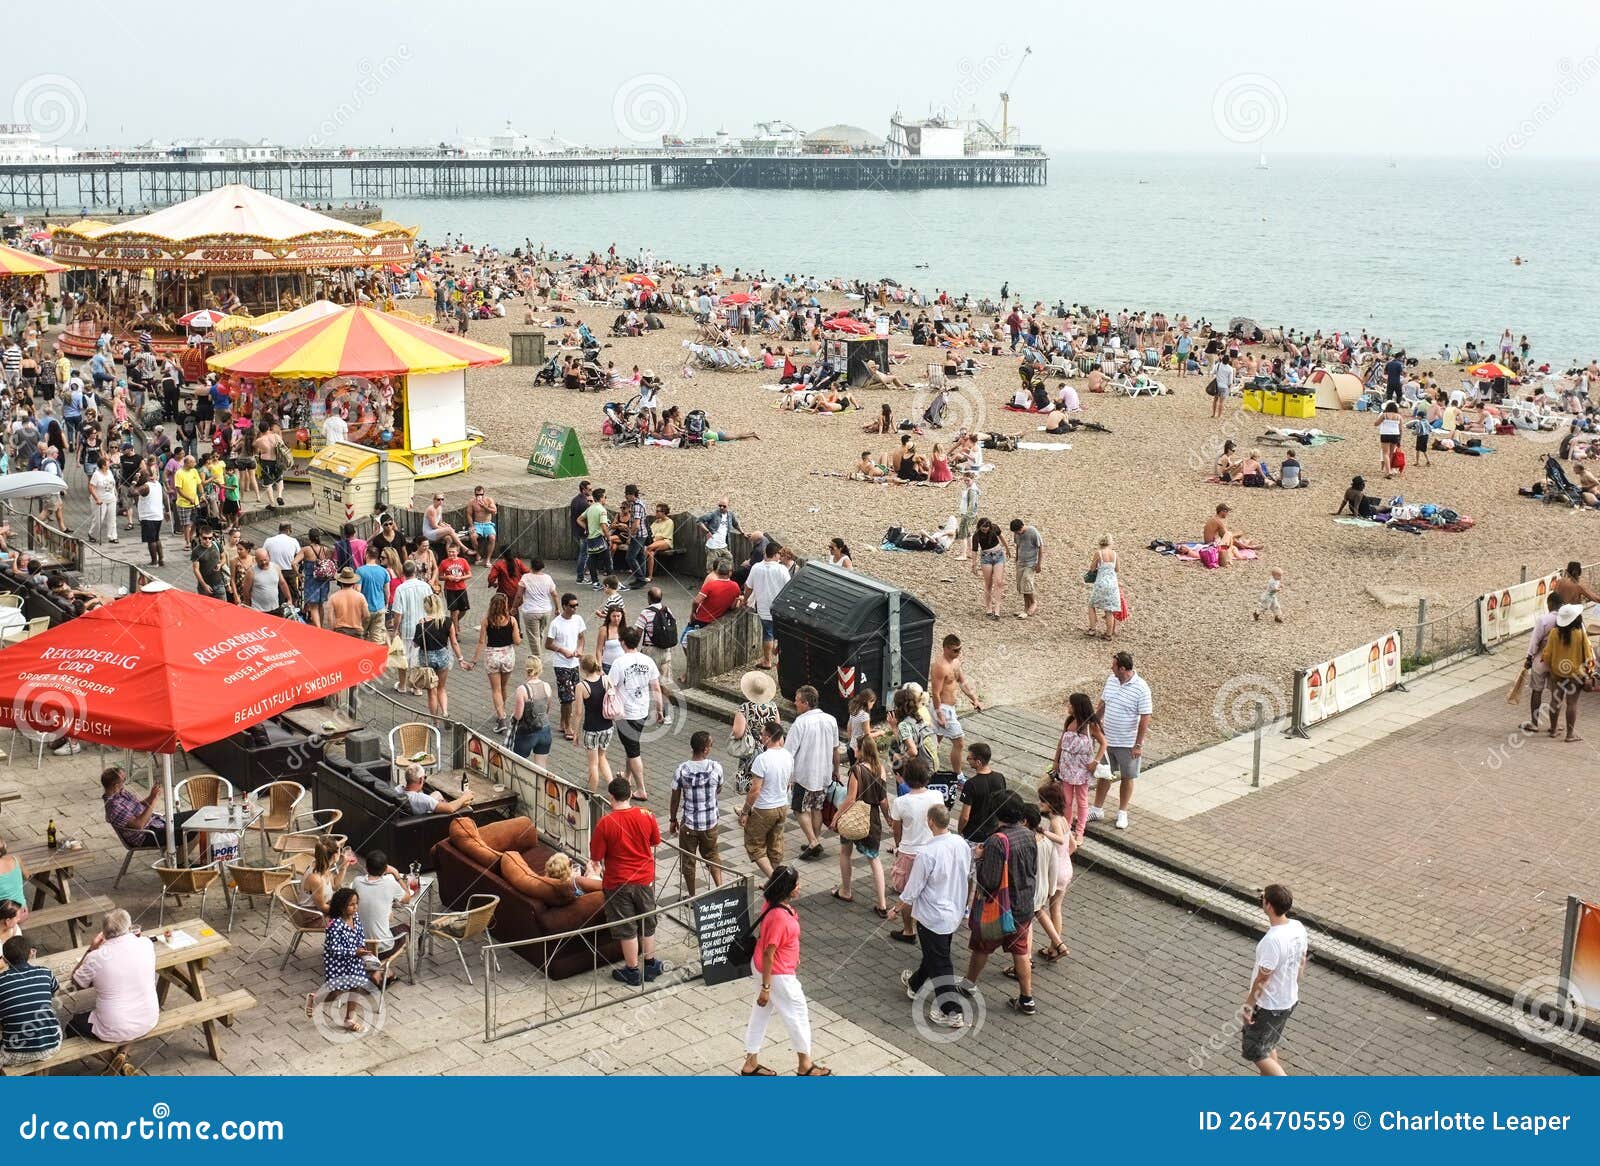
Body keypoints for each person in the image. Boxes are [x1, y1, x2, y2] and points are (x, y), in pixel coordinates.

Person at [739, 864, 831, 1076]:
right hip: (777, 975)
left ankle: (750, 1062)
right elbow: (769, 953)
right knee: (797, 1014)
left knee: (760, 1014)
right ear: (788, 890)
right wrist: (766, 987)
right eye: (797, 884)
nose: (800, 887)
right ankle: (805, 1064)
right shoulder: (780, 917)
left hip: (765, 969)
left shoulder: (771, 904)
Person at [893, 802, 971, 1029]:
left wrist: (897, 908)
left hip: (932, 915)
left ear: (930, 823)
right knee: (936, 953)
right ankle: (915, 983)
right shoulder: (960, 843)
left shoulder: (927, 853)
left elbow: (914, 887)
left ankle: (951, 1010)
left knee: (941, 963)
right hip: (953, 910)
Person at [961, 793, 1039, 1015]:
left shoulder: (996, 841)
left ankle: (968, 984)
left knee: (981, 947)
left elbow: (989, 881)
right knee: (1021, 952)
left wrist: (978, 858)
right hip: (1024, 905)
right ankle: (1026, 998)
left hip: (999, 909)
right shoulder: (1028, 834)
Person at [589, 776, 665, 986]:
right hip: (644, 879)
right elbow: (655, 841)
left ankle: (632, 971)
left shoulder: (605, 823)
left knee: (627, 927)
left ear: (610, 797)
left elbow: (596, 856)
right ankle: (650, 964)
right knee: (647, 921)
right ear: (630, 794)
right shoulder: (646, 814)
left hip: (618, 882)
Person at [1241, 883, 1309, 1076]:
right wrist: (1294, 983)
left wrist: (1248, 1006)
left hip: (1269, 1006)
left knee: (1253, 1048)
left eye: (1263, 898)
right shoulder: (1298, 927)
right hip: (1288, 1000)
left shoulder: (1272, 940)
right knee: (1268, 1043)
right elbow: (1302, 960)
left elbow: (1263, 977)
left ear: (1269, 906)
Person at [67, 909, 157, 1046]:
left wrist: (91, 948)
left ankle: (114, 1062)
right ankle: (123, 1055)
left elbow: (76, 982)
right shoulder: (146, 944)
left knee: (72, 1025)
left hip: (115, 1028)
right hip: (149, 1019)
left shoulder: (96, 957)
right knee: (125, 1021)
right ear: (129, 926)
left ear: (103, 932)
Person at [1089, 652, 1153, 830]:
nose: (1111, 668)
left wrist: (1138, 744)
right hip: (1107, 739)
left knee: (1127, 776)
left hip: (1127, 742)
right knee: (1104, 774)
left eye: (1114, 666)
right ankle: (1097, 809)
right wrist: (1095, 726)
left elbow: (1145, 718)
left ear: (1122, 668)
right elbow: (1103, 704)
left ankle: (1122, 812)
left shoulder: (1141, 688)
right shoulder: (1111, 680)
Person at [886, 759, 944, 945]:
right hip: (932, 850)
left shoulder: (900, 802)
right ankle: (927, 925)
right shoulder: (937, 796)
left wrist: (898, 845)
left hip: (909, 851)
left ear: (905, 777)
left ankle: (909, 929)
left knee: (907, 892)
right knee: (929, 891)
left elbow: (896, 828)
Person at [832, 732, 889, 916]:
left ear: (861, 751)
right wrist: (888, 817)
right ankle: (882, 903)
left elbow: (850, 799)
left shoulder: (856, 770)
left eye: (856, 747)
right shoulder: (880, 768)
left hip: (854, 816)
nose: (853, 749)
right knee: (874, 858)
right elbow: (883, 799)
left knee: (845, 851)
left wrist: (836, 817)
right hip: (872, 819)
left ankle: (846, 890)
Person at [315, 888, 386, 1034]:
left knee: (356, 987)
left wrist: (362, 950)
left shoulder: (356, 917)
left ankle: (349, 1019)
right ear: (341, 906)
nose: (355, 907)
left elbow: (360, 934)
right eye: (351, 905)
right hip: (337, 964)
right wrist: (353, 951)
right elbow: (334, 949)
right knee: (336, 993)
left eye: (356, 904)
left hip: (354, 961)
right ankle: (314, 999)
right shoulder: (334, 925)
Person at [607, 627, 664, 801]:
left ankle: (641, 789)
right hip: (642, 710)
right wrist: (660, 709)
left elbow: (611, 686)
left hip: (625, 713)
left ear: (622, 642)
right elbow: (656, 687)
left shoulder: (619, 662)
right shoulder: (648, 660)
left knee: (633, 751)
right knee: (632, 745)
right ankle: (627, 775)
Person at [669, 731, 724, 896]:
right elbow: (719, 789)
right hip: (710, 823)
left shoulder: (682, 770)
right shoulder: (716, 768)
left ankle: (692, 897)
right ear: (706, 749)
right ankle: (721, 890)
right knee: (712, 855)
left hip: (689, 825)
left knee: (688, 861)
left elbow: (675, 798)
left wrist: (673, 819)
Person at [738, 720, 792, 877]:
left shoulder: (762, 759)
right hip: (782, 805)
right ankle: (774, 879)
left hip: (765, 808)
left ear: (768, 737)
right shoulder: (788, 755)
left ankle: (775, 880)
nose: (760, 737)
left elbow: (755, 790)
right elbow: (789, 782)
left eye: (762, 734)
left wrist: (745, 812)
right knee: (775, 844)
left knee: (754, 844)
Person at [0, 934, 63, 1067]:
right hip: (50, 1047)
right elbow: (55, 992)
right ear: (30, 954)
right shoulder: (45, 973)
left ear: (5, 960)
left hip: (14, 1054)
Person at [1052, 692, 1104, 841]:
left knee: (1082, 800)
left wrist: (1096, 761)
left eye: (1070, 704)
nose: (1068, 706)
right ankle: (1067, 828)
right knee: (1067, 800)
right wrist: (1056, 761)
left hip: (1082, 768)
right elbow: (1061, 743)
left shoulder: (1091, 726)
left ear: (1077, 707)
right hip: (1067, 766)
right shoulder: (1069, 722)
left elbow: (1103, 743)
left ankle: (1080, 831)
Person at [1541, 603, 1595, 743]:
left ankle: (1553, 730)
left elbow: (1547, 654)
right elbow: (1588, 656)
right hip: (1575, 675)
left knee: (1555, 701)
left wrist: (1551, 667)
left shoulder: (1554, 633)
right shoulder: (1579, 634)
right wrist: (1590, 674)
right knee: (1571, 704)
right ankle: (1569, 735)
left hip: (1557, 673)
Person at [929, 633, 982, 772]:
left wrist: (974, 698)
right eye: (955, 650)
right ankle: (958, 775)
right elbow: (935, 693)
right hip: (942, 708)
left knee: (935, 741)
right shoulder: (940, 667)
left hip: (950, 708)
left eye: (960, 649)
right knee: (959, 742)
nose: (958, 653)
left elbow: (962, 682)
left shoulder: (956, 662)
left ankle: (926, 768)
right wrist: (939, 714)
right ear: (945, 649)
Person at [471, 592, 523, 733]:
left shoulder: (487, 620)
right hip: (507, 655)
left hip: (492, 655)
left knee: (496, 689)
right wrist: (520, 637)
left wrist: (474, 661)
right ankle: (503, 711)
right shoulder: (511, 620)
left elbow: (481, 642)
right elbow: (517, 641)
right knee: (504, 687)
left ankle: (501, 718)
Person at [413, 591, 468, 719]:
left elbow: (416, 644)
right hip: (443, 656)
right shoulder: (447, 622)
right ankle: (444, 712)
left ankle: (435, 721)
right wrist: (461, 659)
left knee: (431, 692)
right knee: (442, 688)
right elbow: (454, 642)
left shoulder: (421, 625)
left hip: (427, 658)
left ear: (426, 607)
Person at [353, 850, 413, 966]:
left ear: (366, 867)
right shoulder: (390, 884)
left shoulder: (357, 882)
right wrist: (396, 875)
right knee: (406, 928)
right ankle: (381, 966)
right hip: (383, 949)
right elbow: (407, 898)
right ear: (386, 869)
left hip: (360, 947)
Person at [742, 540, 790, 670]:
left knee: (768, 633)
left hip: (763, 606)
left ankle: (767, 661)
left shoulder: (756, 567)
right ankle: (781, 661)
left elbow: (748, 587)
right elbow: (788, 588)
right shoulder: (782, 569)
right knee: (780, 634)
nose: (780, 556)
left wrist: (745, 600)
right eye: (779, 554)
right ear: (775, 554)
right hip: (779, 607)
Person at [1521, 593, 1564, 733]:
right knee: (1556, 694)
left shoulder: (1544, 620)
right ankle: (1554, 725)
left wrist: (1529, 658)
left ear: (1550, 604)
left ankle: (1534, 723)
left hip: (1540, 660)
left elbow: (1535, 641)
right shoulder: (1567, 620)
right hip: (1557, 662)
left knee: (1536, 691)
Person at [547, 593, 587, 742]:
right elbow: (548, 644)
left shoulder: (578, 619)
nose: (575, 608)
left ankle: (563, 722)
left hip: (574, 663)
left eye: (576, 605)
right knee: (567, 697)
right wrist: (563, 650)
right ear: (564, 606)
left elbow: (582, 638)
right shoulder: (556, 623)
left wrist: (580, 650)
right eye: (571, 606)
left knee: (574, 694)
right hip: (561, 664)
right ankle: (568, 726)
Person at [508, 657, 555, 765]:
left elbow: (518, 716)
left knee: (518, 765)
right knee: (541, 768)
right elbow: (547, 709)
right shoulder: (547, 686)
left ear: (526, 670)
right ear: (540, 669)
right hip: (545, 731)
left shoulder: (522, 689)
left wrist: (512, 718)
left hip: (527, 732)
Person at [685, 560, 742, 639]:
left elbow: (696, 601)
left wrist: (693, 612)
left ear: (717, 571)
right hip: (718, 619)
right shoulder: (736, 586)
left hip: (702, 619)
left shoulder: (711, 585)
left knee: (684, 641)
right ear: (730, 572)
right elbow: (732, 606)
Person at [969, 517, 1006, 619]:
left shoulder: (994, 528)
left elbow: (1001, 537)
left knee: (999, 582)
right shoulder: (976, 536)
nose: (985, 530)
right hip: (986, 557)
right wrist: (974, 564)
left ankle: (997, 608)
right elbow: (974, 550)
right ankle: (988, 607)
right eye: (983, 528)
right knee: (988, 583)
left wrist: (1007, 548)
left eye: (986, 528)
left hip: (998, 555)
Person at [1008, 518, 1045, 619]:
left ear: (1021, 526)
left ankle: (1033, 602)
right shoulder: (1017, 534)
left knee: (1027, 581)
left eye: (1018, 531)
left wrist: (1039, 564)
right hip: (1021, 562)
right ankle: (1025, 609)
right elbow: (1018, 545)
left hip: (1031, 563)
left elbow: (1040, 547)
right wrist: (1016, 558)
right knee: (1022, 585)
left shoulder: (1032, 531)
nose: (1017, 533)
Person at [465, 485, 498, 561]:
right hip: (477, 524)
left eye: (481, 494)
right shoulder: (472, 502)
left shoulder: (489, 500)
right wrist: (472, 526)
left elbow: (494, 512)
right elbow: (469, 514)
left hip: (488, 524)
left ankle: (488, 559)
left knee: (492, 538)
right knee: (473, 536)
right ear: (474, 494)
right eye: (477, 495)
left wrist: (484, 506)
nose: (479, 496)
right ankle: (478, 553)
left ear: (484, 494)